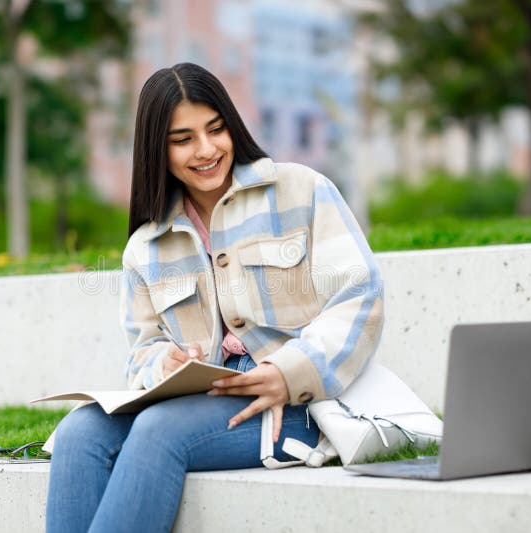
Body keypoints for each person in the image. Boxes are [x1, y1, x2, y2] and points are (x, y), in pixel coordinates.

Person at [46, 62, 384, 533]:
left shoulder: (301, 190)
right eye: (182, 139)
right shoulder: (145, 246)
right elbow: (142, 347)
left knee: (157, 432)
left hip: (298, 404)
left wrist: (290, 374)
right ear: (156, 150)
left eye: (215, 129)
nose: (205, 150)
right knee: (79, 432)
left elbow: (360, 295)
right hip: (196, 402)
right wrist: (163, 362)